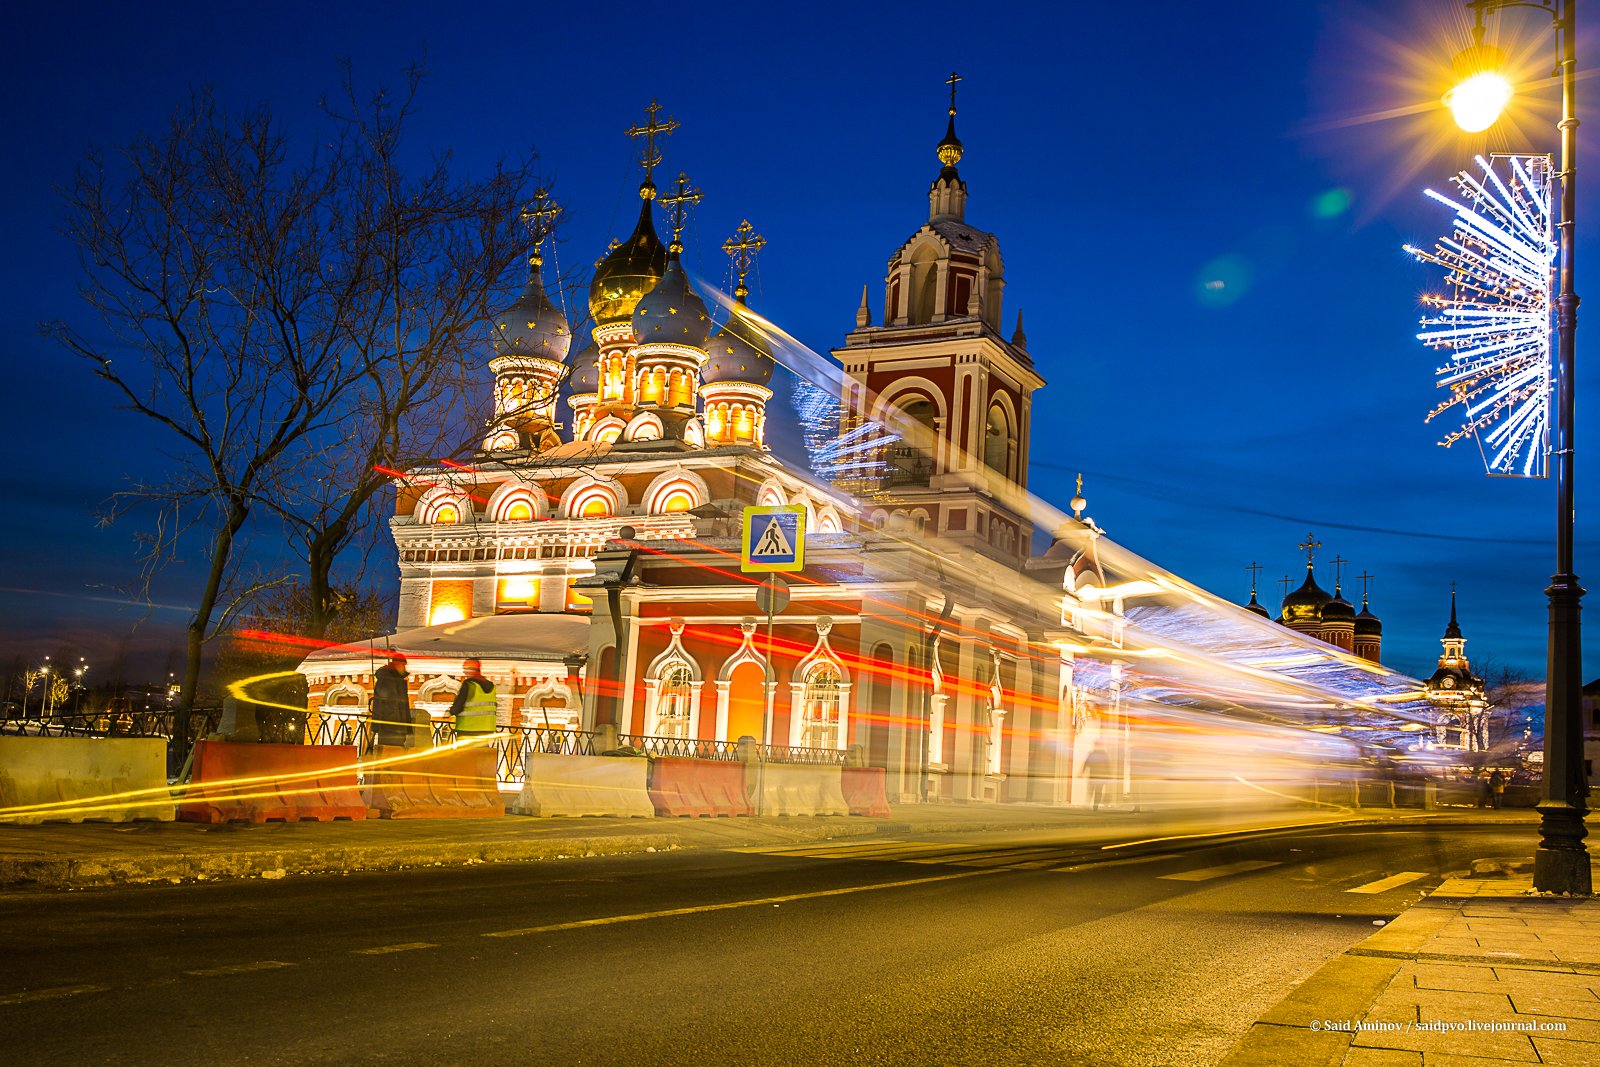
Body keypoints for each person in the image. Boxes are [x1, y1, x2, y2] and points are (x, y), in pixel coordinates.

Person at [371, 652, 415, 752]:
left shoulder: (395, 678)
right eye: (403, 665)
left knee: (394, 751)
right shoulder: (387, 678)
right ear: (397, 664)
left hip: (396, 724)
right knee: (389, 750)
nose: (404, 668)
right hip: (390, 725)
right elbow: (388, 701)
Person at [447, 659, 498, 741]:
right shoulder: (491, 686)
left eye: (465, 669)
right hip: (487, 728)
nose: (464, 672)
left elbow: (459, 703)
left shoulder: (469, 684)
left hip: (468, 728)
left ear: (472, 670)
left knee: (465, 752)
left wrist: (450, 712)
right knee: (481, 752)